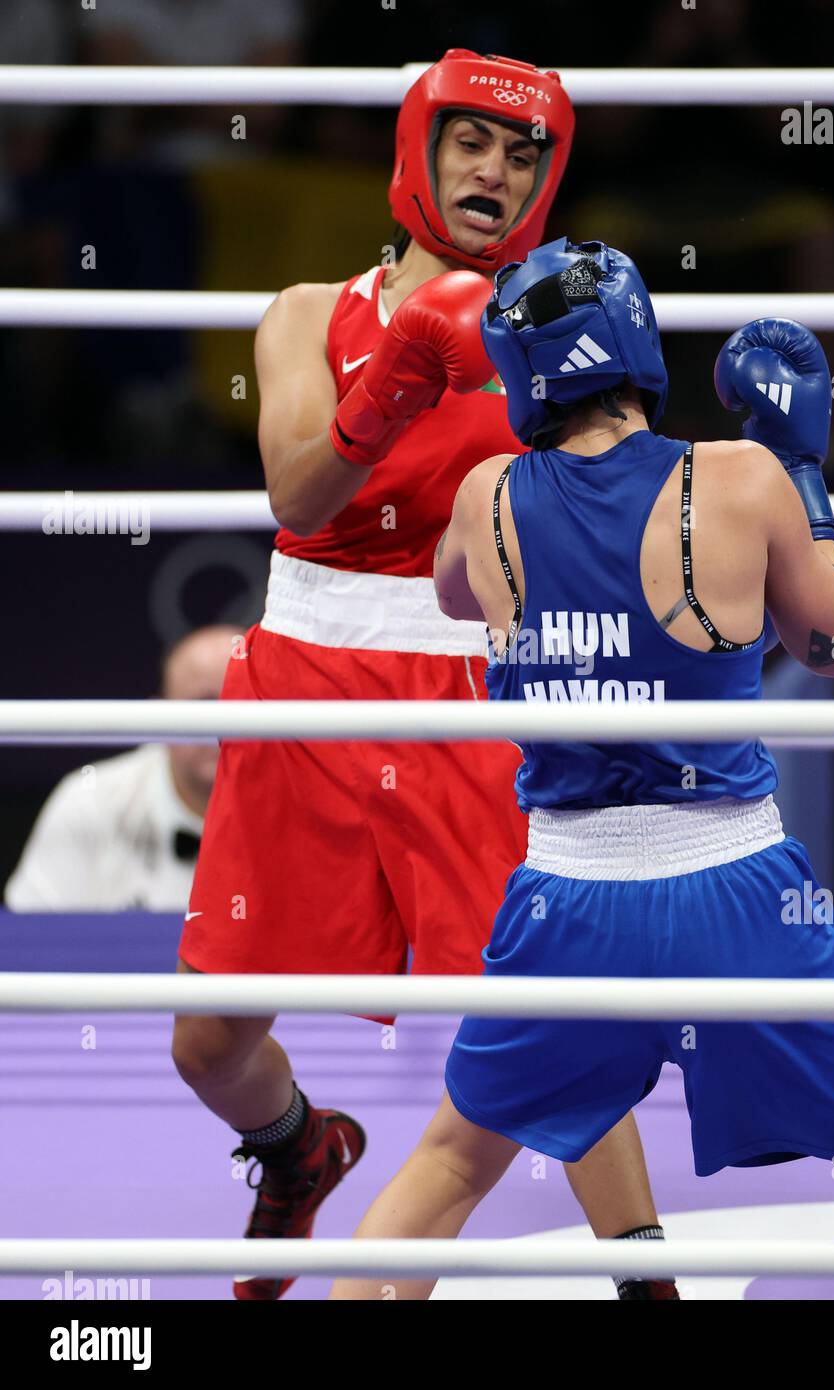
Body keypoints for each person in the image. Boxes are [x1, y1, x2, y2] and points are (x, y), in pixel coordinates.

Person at [330, 238, 834, 1302]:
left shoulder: (487, 496)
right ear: (637, 341)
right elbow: (832, 646)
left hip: (564, 906)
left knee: (446, 1170)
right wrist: (801, 477)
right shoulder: (737, 477)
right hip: (734, 900)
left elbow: (454, 597)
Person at [172, 52, 675, 1303]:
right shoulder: (303, 314)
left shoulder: (563, 339)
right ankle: (298, 1149)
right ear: (418, 152)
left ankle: (646, 1282)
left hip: (479, 686)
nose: (492, 175)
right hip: (301, 682)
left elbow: (616, 505)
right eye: (469, 146)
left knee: (535, 1011)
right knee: (209, 1040)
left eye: (521, 156)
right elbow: (297, 494)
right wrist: (399, 371)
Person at [4, 625, 235, 912]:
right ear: (160, 716)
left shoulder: (304, 806)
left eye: (242, 703)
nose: (226, 724)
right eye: (205, 703)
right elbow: (28, 942)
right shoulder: (88, 801)